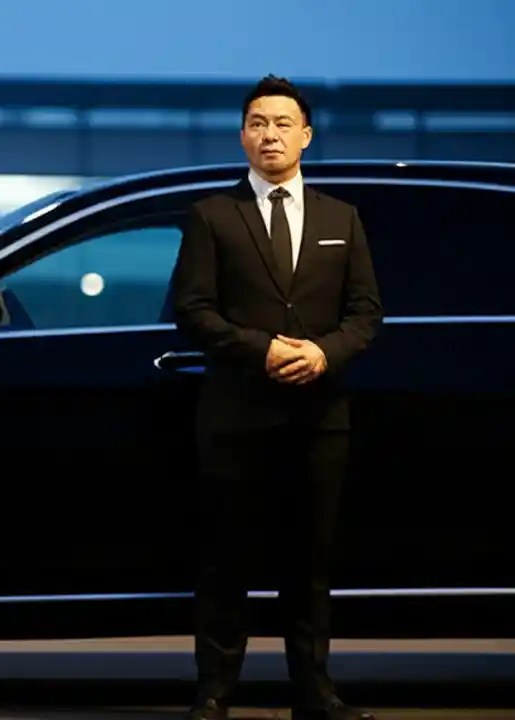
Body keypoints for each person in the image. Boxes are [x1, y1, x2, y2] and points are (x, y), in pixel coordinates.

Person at [169, 75, 383, 720]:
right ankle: (214, 691)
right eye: (258, 123)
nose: (270, 134)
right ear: (243, 136)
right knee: (225, 562)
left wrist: (324, 352)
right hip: (236, 414)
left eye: (283, 123)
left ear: (305, 136)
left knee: (309, 564)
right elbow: (193, 310)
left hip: (319, 418)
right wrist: (262, 349)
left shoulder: (341, 217)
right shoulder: (212, 214)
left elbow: (366, 313)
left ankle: (315, 694)